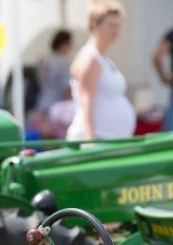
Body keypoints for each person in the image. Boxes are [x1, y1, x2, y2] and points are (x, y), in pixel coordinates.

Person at [66, 1, 135, 141]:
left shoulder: (103, 59)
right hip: (95, 140)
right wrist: (90, 143)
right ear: (94, 25)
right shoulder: (89, 59)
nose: (115, 31)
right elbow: (86, 105)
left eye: (118, 26)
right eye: (111, 26)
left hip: (110, 139)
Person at [36, 30, 73, 114]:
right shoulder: (63, 62)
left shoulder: (43, 60)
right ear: (64, 44)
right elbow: (67, 89)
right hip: (57, 108)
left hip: (42, 104)